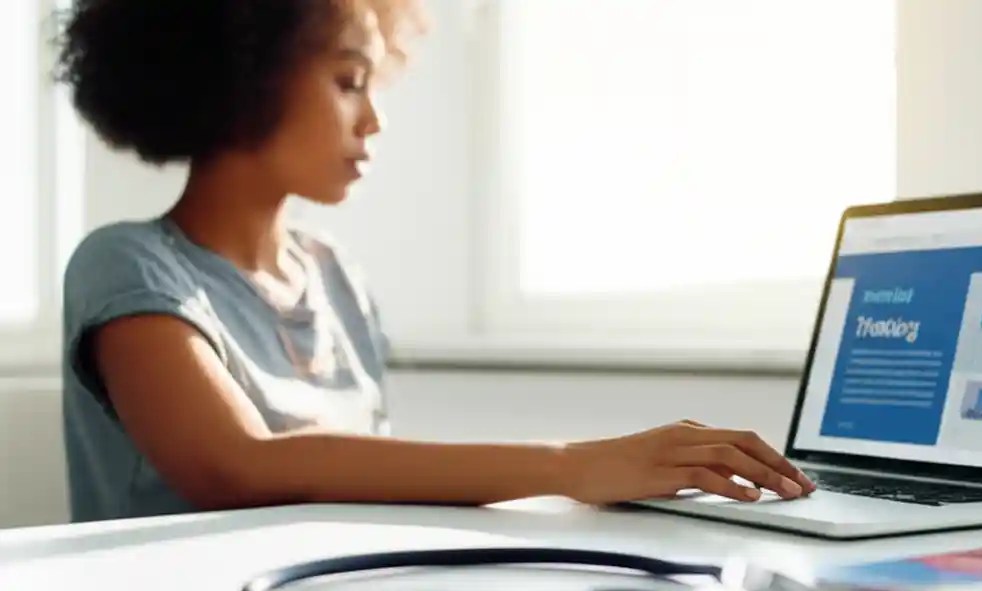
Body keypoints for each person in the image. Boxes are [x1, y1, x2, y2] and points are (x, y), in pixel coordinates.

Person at [55, 0, 814, 522]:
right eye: (349, 81)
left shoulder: (337, 281)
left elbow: (362, 494)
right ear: (240, 72)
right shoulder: (128, 266)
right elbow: (235, 468)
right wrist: (573, 466)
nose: (375, 117)